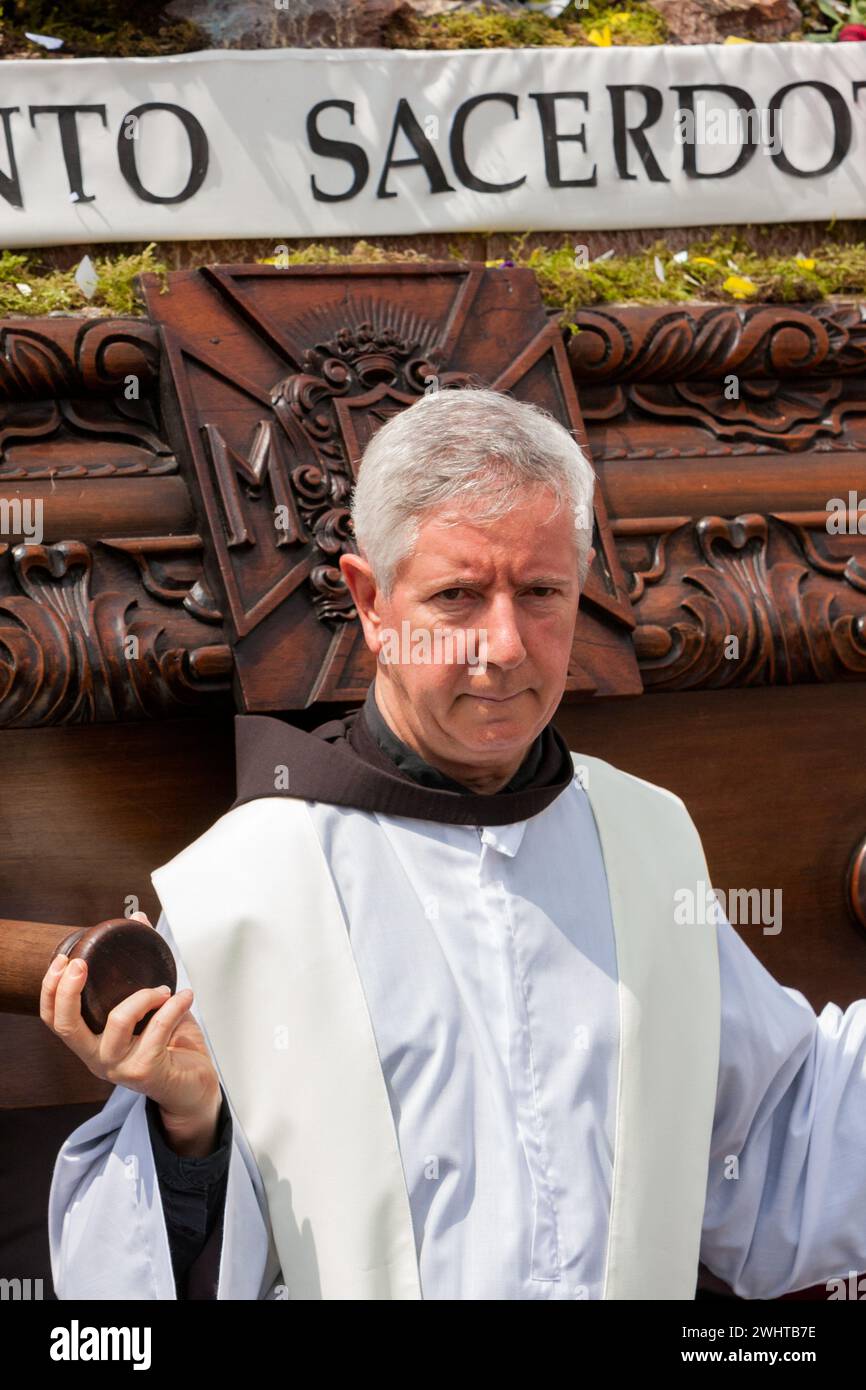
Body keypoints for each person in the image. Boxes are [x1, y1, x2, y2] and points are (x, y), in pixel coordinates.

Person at [44, 387, 866, 1301]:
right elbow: (124, 1287)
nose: (505, 645)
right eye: (458, 596)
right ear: (370, 601)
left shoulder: (647, 845)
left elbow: (785, 1138)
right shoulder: (244, 892)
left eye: (542, 593)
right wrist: (187, 1133)